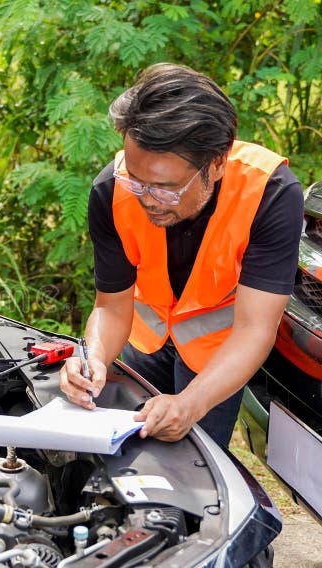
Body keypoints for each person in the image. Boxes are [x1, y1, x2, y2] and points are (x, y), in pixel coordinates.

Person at [59, 63, 304, 448]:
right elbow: (111, 307)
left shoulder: (271, 194)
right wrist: (94, 358)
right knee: (132, 453)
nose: (146, 199)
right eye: (136, 181)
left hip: (220, 352)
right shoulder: (109, 189)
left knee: (197, 461)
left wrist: (190, 405)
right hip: (146, 340)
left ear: (217, 162)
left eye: (166, 188)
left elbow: (256, 328)